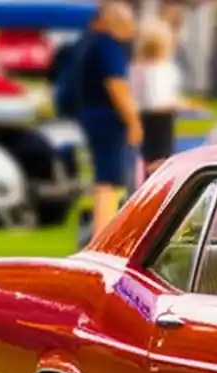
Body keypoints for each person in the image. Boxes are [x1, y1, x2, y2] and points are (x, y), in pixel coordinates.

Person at [77, 1, 141, 239]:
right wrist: (133, 121)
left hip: (93, 117)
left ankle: (102, 232)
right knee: (109, 182)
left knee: (107, 181)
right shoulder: (108, 46)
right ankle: (102, 236)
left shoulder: (91, 42)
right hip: (107, 120)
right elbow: (117, 86)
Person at [131, 20, 191, 177]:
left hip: (144, 117)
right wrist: (180, 104)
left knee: (148, 157)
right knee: (160, 158)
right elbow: (157, 99)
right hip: (160, 119)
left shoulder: (137, 68)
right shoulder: (164, 69)